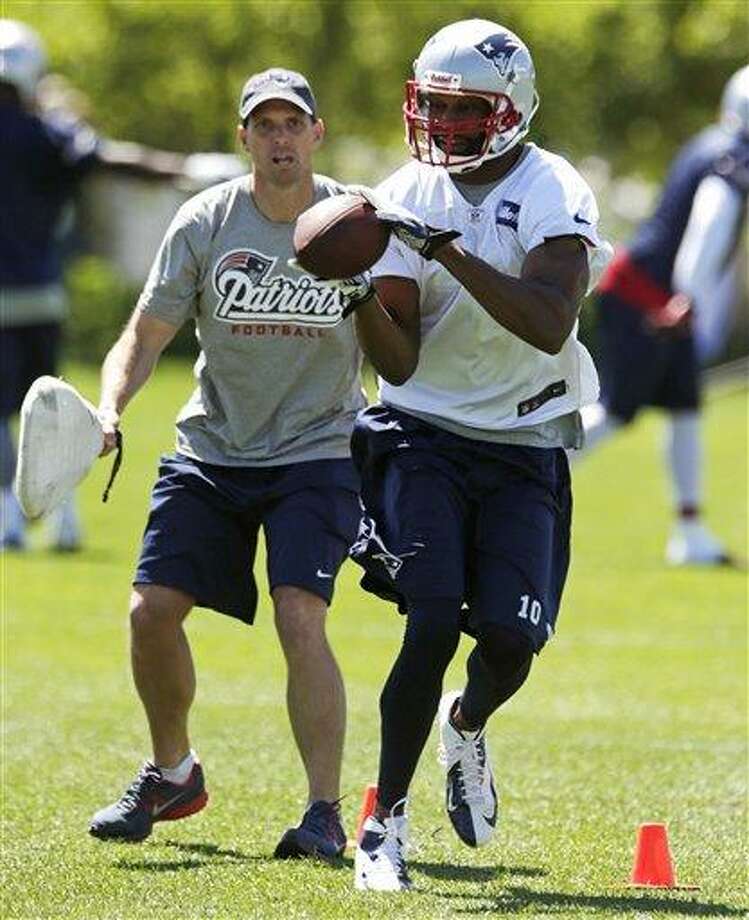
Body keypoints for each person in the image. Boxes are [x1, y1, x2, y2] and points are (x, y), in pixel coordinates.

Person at [323, 19, 611, 891]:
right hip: (422, 432)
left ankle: (467, 722)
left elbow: (546, 319)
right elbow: (400, 359)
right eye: (433, 105)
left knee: (511, 640)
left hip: (524, 438)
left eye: (464, 108)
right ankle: (383, 827)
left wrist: (441, 246)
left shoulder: (553, 188)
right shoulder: (403, 189)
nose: (443, 124)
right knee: (430, 614)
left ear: (511, 108)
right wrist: (356, 289)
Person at [87, 68, 366, 861]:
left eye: (292, 124)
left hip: (318, 448)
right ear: (242, 137)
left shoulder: (353, 222)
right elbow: (145, 334)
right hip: (212, 448)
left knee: (297, 614)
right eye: (263, 125)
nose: (279, 139)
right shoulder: (207, 220)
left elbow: (401, 335)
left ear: (316, 133)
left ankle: (322, 812)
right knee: (150, 613)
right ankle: (173, 772)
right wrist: (111, 408)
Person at [0, 19, 186, 551]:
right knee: (50, 414)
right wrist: (181, 168)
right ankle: (65, 518)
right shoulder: (47, 134)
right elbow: (108, 157)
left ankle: (10, 519)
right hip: (40, 294)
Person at [579, 65, 748, 566]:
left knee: (685, 410)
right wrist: (689, 299)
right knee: (616, 410)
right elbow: (709, 228)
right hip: (651, 300)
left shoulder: (711, 143)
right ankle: (518, 486)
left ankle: (690, 531)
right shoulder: (732, 160)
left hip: (654, 294)